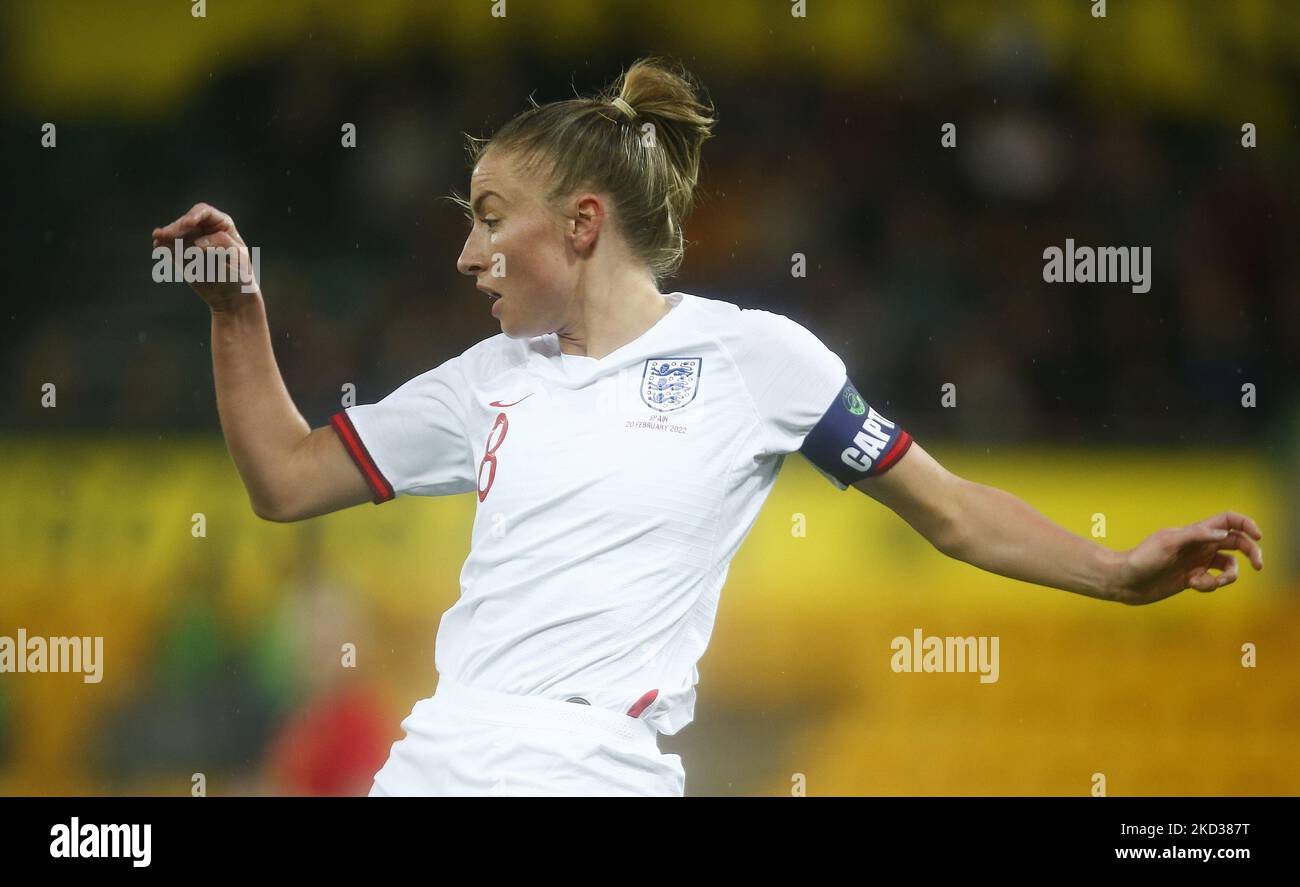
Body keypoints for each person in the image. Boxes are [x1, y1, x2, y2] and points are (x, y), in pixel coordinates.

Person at [152, 57, 1264, 797]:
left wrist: (1119, 572)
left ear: (582, 224)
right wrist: (238, 313)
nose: (466, 254)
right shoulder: (483, 379)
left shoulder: (755, 359)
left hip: (595, 768)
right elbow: (288, 481)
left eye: (491, 220)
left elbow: (956, 512)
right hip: (439, 756)